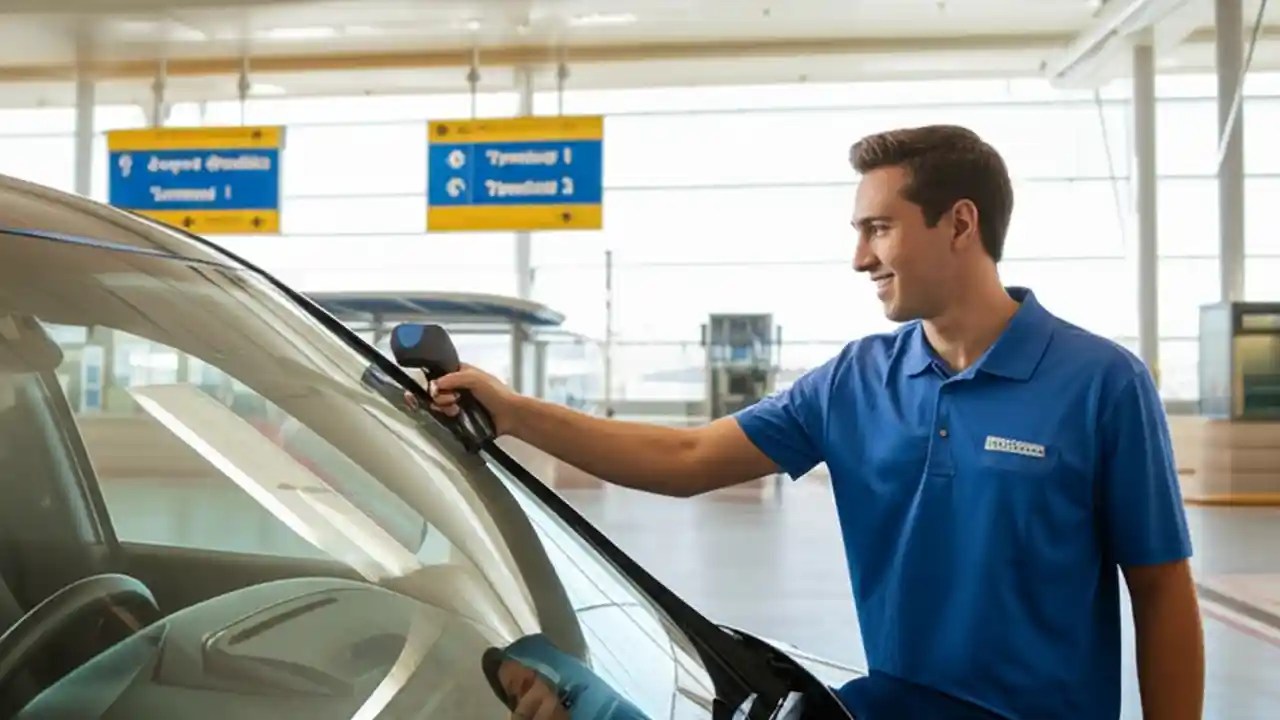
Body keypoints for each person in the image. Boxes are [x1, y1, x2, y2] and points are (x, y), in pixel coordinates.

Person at [421, 124, 1205, 720]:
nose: (860, 258)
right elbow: (689, 455)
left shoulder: (1101, 383)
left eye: (880, 228)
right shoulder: (857, 379)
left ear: (960, 224)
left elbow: (1161, 591)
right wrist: (518, 414)